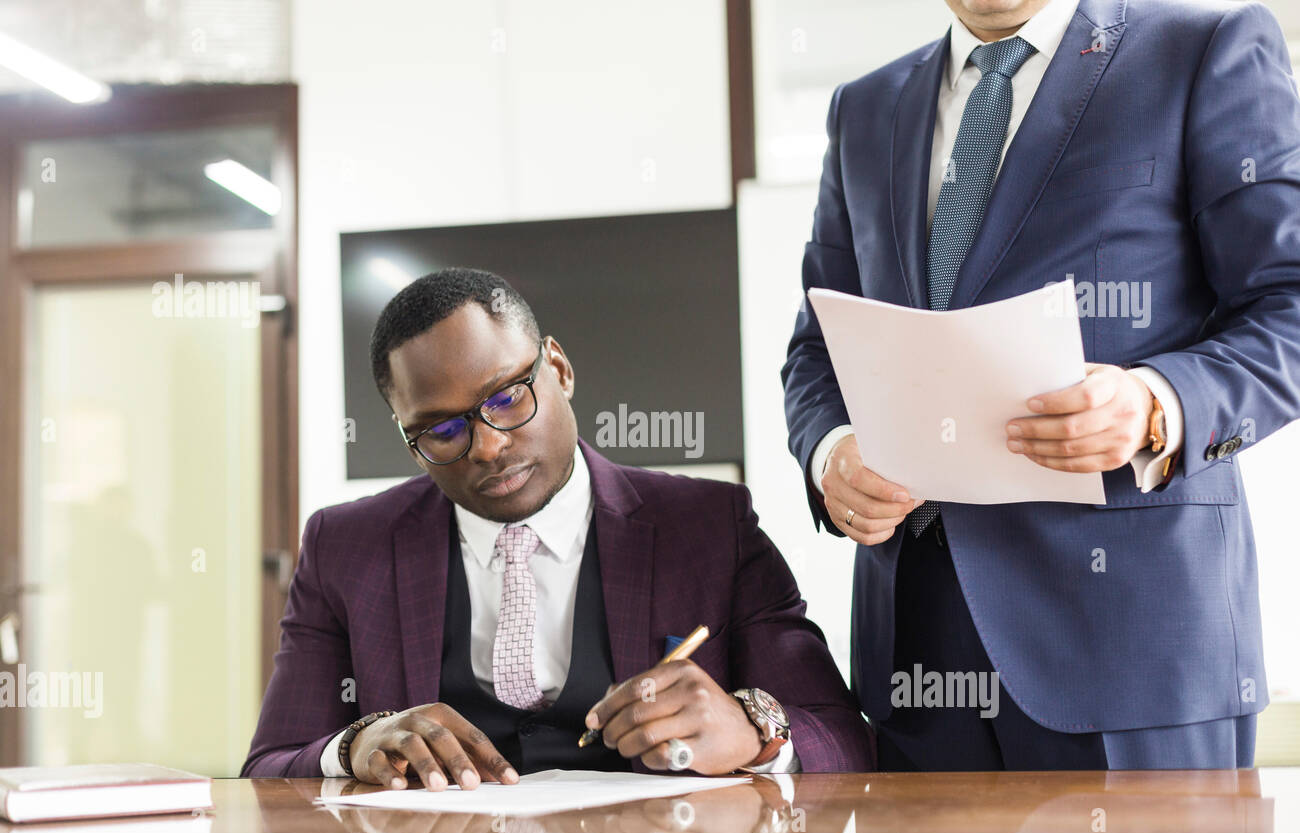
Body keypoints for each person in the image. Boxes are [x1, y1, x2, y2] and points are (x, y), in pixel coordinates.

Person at [782, 0, 1300, 770]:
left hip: (1135, 654)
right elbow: (819, 346)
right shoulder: (865, 108)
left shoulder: (1202, 51)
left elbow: (1286, 302)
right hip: (920, 664)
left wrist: (1157, 401)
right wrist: (832, 453)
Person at [244, 267, 872, 789]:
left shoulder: (711, 527)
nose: (487, 447)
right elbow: (270, 768)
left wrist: (754, 732)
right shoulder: (344, 548)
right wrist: (354, 744)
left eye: (508, 397)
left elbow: (843, 740)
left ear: (560, 369)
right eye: (441, 430)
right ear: (411, 444)